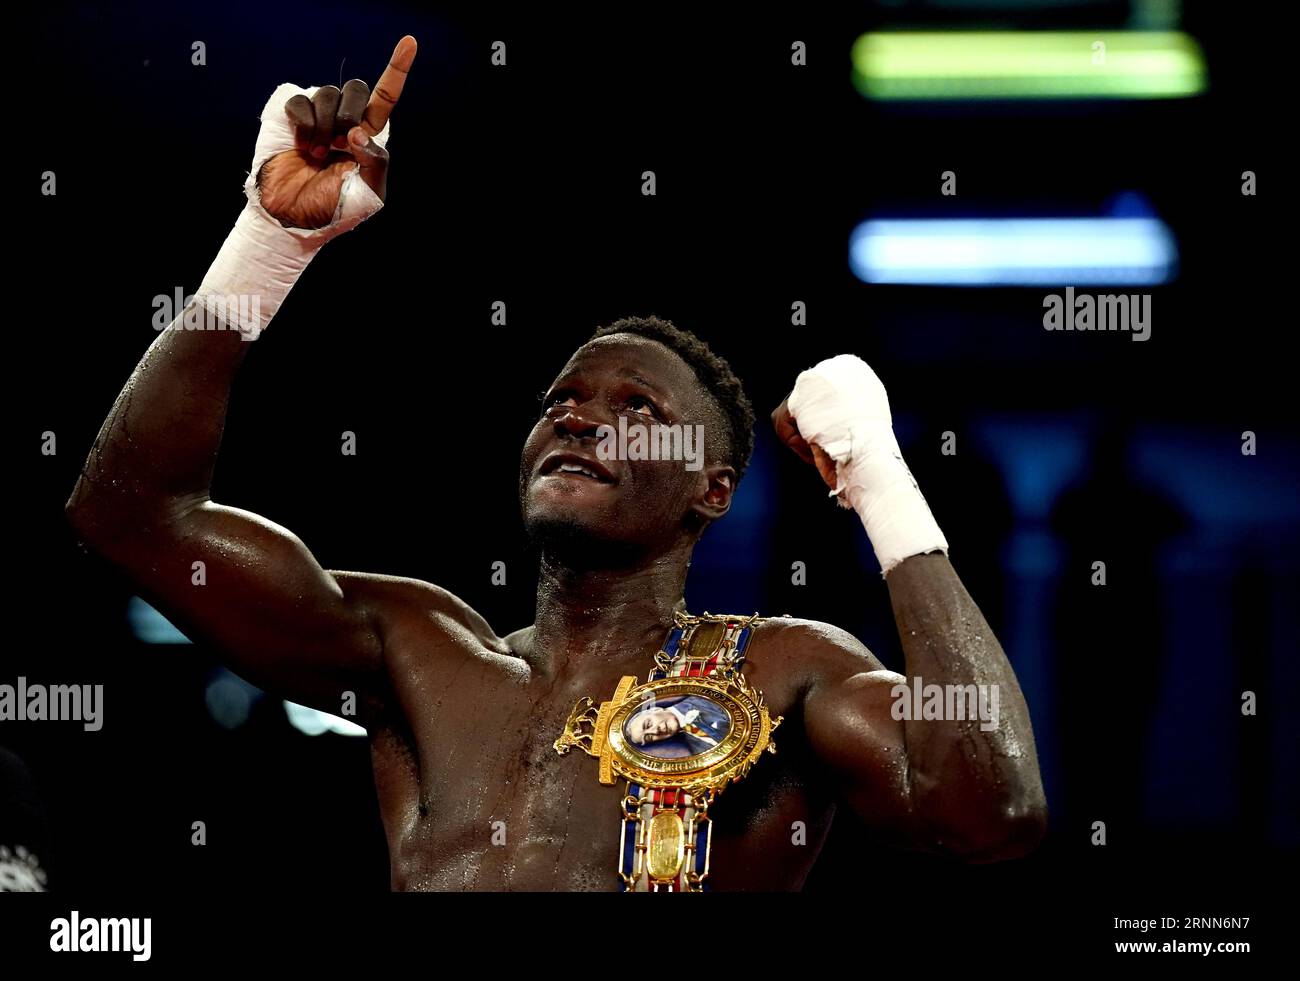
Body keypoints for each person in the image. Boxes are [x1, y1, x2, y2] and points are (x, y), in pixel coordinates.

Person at [65, 35, 1047, 891]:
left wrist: (879, 478)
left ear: (711, 488)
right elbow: (132, 519)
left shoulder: (783, 670)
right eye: (562, 404)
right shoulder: (416, 652)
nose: (578, 421)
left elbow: (990, 812)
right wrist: (268, 246)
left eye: (634, 410)